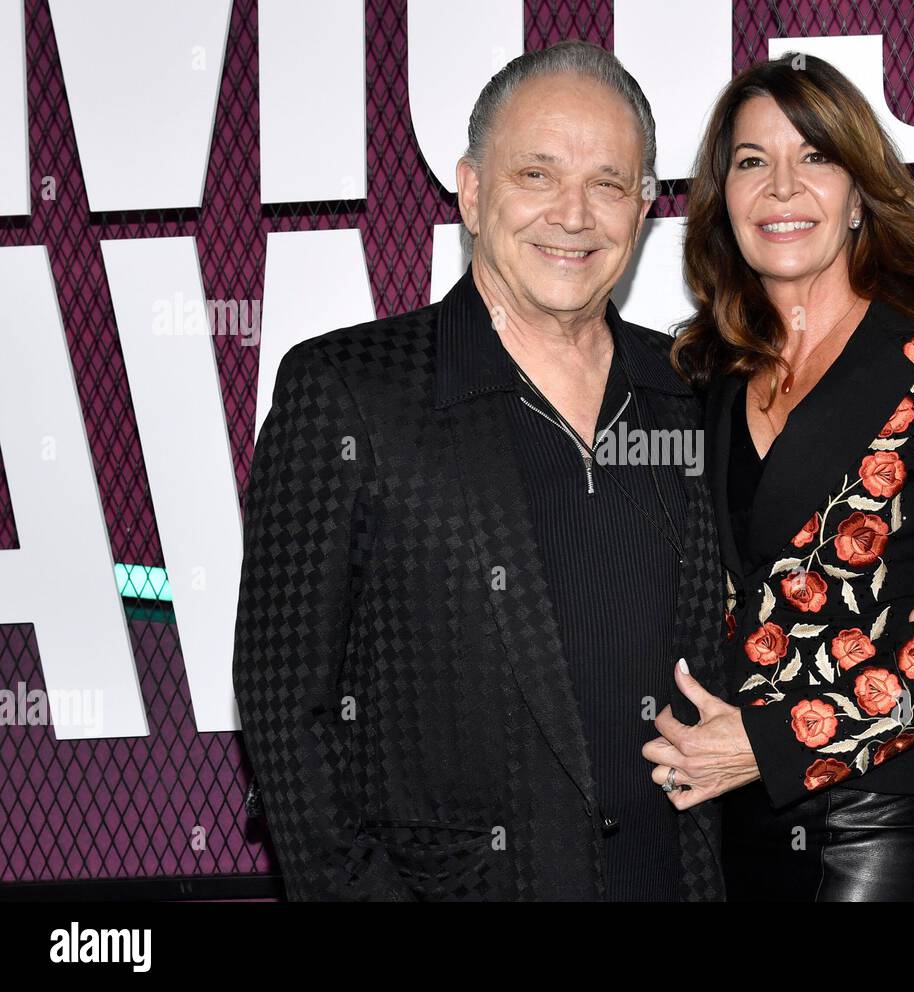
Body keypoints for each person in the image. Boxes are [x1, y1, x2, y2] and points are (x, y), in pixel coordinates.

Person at [232, 40, 729, 901]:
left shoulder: (692, 391)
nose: (572, 215)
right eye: (535, 175)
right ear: (468, 191)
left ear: (644, 209)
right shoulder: (352, 391)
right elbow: (284, 705)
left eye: (608, 184)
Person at [643, 53, 914, 901]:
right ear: (724, 201)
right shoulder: (703, 371)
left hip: (877, 825)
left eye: (815, 158)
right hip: (720, 816)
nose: (781, 187)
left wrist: (777, 744)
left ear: (860, 194)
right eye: (752, 162)